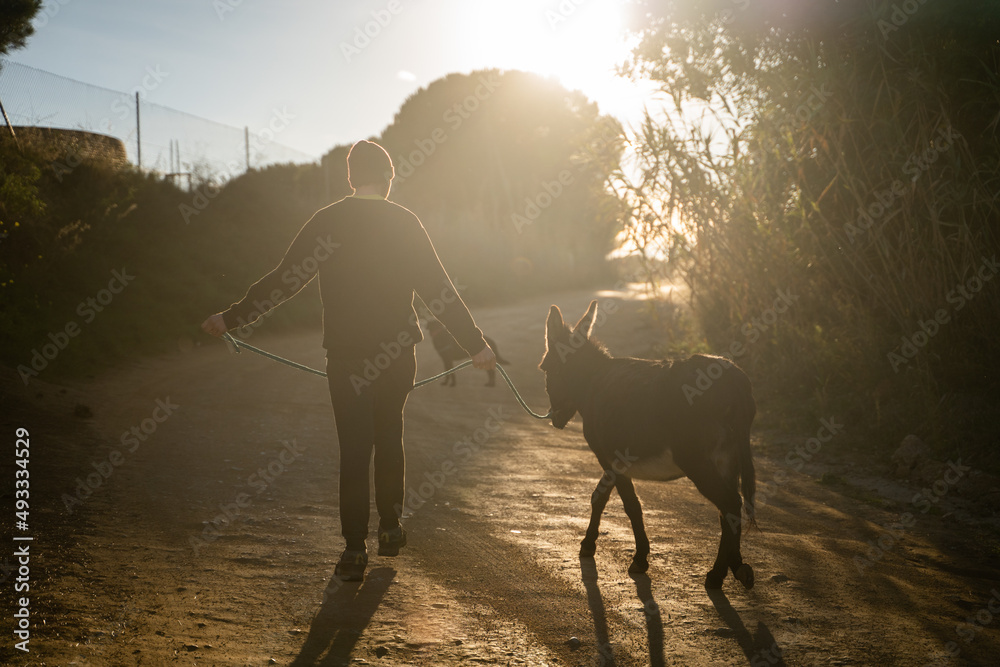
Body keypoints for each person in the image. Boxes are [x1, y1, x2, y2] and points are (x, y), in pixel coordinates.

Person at [201, 140, 495, 581]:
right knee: (390, 435)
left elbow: (285, 281)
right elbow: (439, 290)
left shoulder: (328, 221)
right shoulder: (405, 223)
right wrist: (476, 345)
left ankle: (355, 549)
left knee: (355, 448)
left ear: (351, 178)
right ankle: (392, 528)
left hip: (347, 356)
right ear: (390, 178)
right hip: (397, 354)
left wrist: (232, 318)